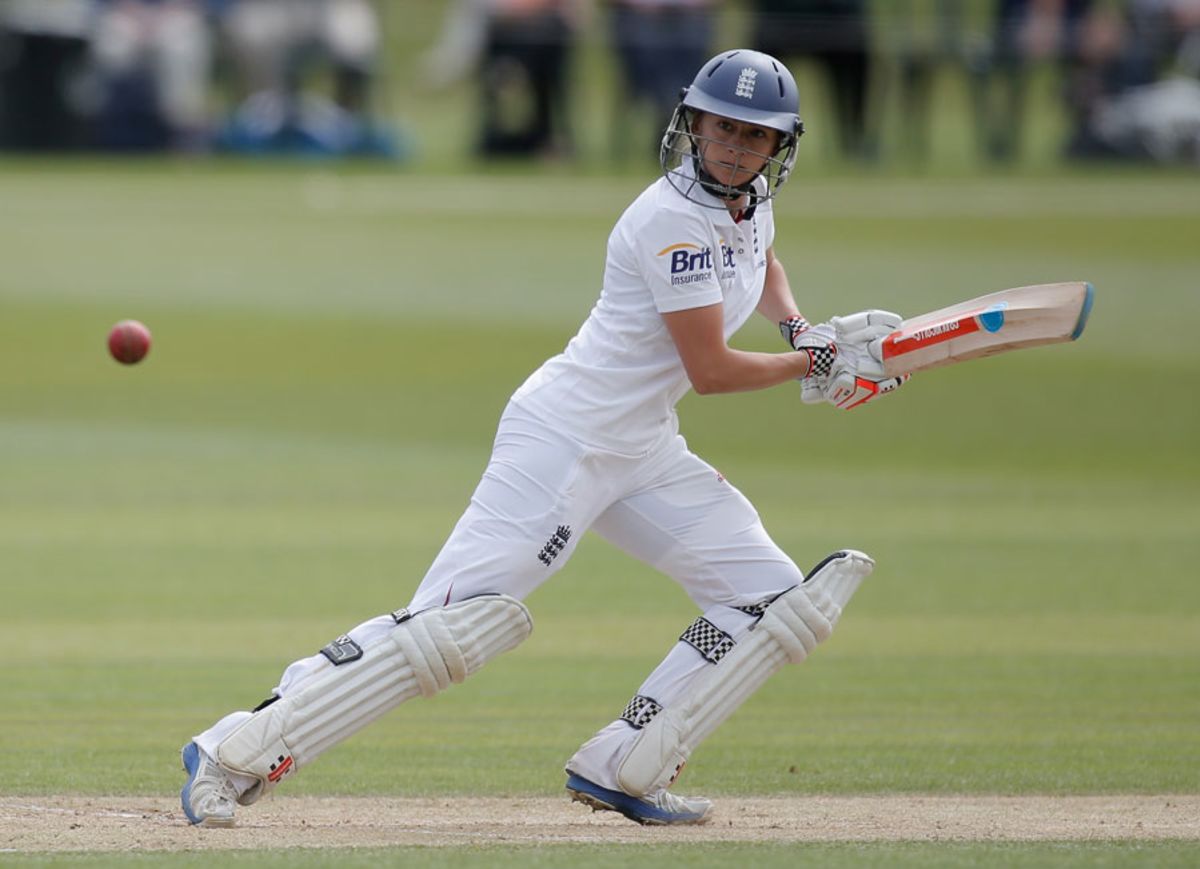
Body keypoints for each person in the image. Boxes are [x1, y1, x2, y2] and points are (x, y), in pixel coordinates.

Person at [178, 48, 906, 829]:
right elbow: (713, 369)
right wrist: (818, 362)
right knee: (456, 626)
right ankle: (229, 751)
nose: (734, 147)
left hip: (643, 446)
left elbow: (761, 262)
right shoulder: (670, 222)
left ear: (777, 149)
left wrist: (799, 326)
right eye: (722, 128)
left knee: (767, 597)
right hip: (564, 439)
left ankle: (627, 762)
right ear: (693, 123)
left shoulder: (746, 203)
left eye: (754, 137)